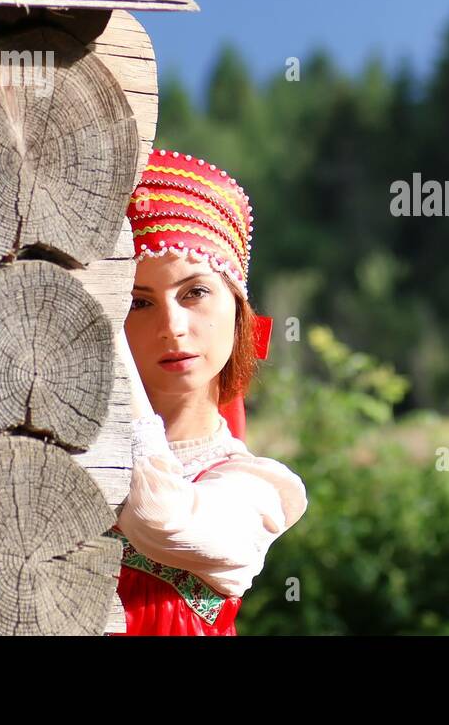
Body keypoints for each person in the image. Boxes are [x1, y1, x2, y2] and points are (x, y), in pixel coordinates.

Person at [104, 147, 307, 636]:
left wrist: (106, 339)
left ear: (238, 309)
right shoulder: (69, 447)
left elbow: (159, 518)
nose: (172, 327)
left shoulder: (256, 489)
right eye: (138, 302)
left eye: (194, 293)